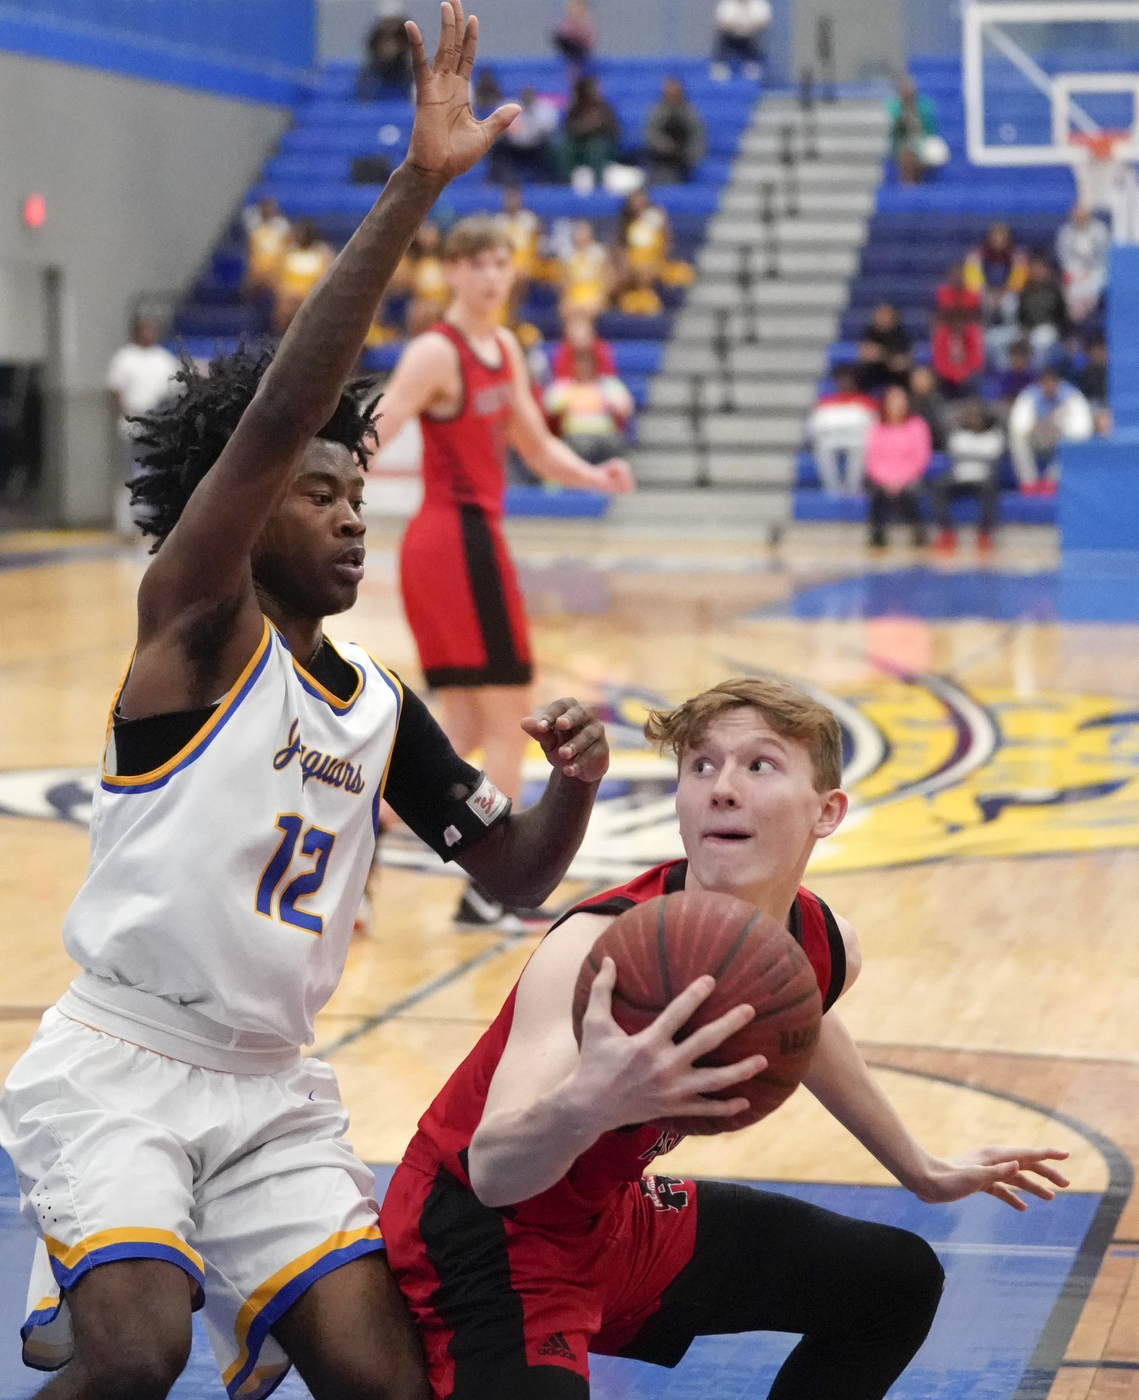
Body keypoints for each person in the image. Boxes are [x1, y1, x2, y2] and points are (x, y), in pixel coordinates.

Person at [0, 12, 610, 1400]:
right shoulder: (196, 630)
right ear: (242, 503)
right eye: (317, 494)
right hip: (124, 1062)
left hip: (272, 1086)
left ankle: (212, 1287)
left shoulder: (377, 705)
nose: (349, 520)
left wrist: (566, 787)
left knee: (383, 1380)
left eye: (358, 493)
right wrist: (414, 189)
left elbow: (511, 876)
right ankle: (110, 1271)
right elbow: (277, 411)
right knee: (136, 1353)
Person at [379, 675, 1070, 1399]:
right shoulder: (595, 948)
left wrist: (920, 1169)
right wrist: (591, 1100)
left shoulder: (822, 944)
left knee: (894, 1281)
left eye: (758, 765)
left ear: (825, 812)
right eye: (700, 766)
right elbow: (492, 1171)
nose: (721, 788)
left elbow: (802, 1020)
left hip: (611, 1220)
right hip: (485, 1239)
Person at [365, 216, 634, 928]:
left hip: (473, 540)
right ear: (450, 271)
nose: (492, 275)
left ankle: (360, 839)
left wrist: (594, 475)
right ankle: (493, 890)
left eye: (501, 263)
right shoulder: (435, 351)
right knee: (515, 711)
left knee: (462, 724)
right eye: (477, 263)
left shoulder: (504, 349)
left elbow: (539, 449)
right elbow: (370, 437)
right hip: (451, 542)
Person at [106, 314, 180, 536]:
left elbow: (174, 392)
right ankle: (126, 527)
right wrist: (130, 415)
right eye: (144, 329)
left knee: (157, 474)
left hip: (158, 427)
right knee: (130, 476)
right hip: (132, 426)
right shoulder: (124, 358)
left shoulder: (164, 359)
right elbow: (115, 390)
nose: (148, 333)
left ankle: (156, 521)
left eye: (152, 329)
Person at [1008, 359, 1093, 494]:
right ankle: (1029, 482)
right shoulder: (1030, 395)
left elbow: (1082, 430)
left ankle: (1050, 481)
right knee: (1017, 440)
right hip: (1038, 437)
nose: (1049, 385)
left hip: (1060, 439)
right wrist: (1036, 425)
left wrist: (1061, 427)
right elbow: (1018, 427)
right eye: (1045, 381)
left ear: (1058, 382)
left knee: (1073, 443)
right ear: (1040, 382)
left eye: (1052, 381)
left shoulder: (1071, 395)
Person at [932, 398, 1006, 554]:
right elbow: (956, 455)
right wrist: (977, 455)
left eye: (977, 414)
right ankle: (947, 532)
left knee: (991, 488)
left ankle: (984, 534)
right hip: (959, 477)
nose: (973, 418)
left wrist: (970, 456)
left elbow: (992, 457)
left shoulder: (994, 435)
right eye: (969, 414)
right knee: (939, 486)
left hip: (983, 478)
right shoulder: (957, 434)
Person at [864, 384, 932, 547]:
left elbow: (921, 458)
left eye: (900, 401)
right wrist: (887, 480)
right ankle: (877, 535)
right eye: (892, 401)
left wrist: (901, 480)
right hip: (882, 478)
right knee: (876, 491)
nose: (896, 406)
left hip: (909, 477)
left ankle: (918, 532)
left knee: (912, 490)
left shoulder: (917, 425)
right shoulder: (876, 427)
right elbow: (872, 460)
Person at [544, 345, 634, 463]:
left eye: (587, 363)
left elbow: (626, 408)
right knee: (579, 447)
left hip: (605, 436)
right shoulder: (565, 386)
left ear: (595, 365)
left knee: (614, 445)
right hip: (575, 436)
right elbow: (549, 406)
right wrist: (572, 400)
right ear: (573, 366)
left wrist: (606, 402)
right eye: (580, 363)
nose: (584, 367)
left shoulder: (608, 385)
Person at [807, 364, 878, 494]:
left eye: (848, 380)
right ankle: (832, 490)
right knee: (821, 447)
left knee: (862, 446)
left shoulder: (866, 402)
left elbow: (875, 428)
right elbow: (813, 427)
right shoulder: (825, 402)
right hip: (830, 439)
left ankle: (852, 490)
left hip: (858, 440)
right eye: (842, 380)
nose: (845, 383)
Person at [613, 189, 694, 292]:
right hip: (633, 266)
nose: (637, 204)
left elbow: (667, 243)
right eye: (634, 201)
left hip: (655, 263)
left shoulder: (656, 217)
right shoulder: (627, 224)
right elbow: (622, 249)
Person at [273, 219, 334, 334]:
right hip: (289, 297)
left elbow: (325, 281)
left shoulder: (321, 254)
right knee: (283, 308)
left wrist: (304, 296)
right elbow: (279, 281)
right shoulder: (288, 254)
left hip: (311, 298)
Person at [931, 265, 984, 398]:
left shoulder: (972, 332)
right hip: (947, 378)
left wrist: (962, 373)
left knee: (976, 380)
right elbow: (940, 361)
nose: (957, 324)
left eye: (960, 320)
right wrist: (953, 374)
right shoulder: (942, 334)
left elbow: (976, 360)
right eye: (954, 320)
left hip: (967, 377)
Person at [557, 76, 619, 188]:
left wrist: (596, 126)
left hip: (598, 143)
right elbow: (569, 128)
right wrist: (586, 126)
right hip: (578, 143)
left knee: (597, 147)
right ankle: (566, 182)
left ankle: (598, 184)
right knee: (563, 147)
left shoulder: (604, 107)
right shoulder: (576, 108)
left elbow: (614, 130)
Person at [963, 221, 1027, 328]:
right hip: (985, 293)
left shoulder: (1017, 256)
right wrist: (988, 293)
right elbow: (973, 282)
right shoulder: (976, 256)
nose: (998, 241)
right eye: (995, 237)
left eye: (1001, 238)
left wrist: (1002, 294)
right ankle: (982, 330)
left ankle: (1012, 330)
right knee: (980, 301)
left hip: (1007, 293)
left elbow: (1018, 281)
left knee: (1011, 303)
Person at [644, 77, 706, 185]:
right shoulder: (656, 112)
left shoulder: (691, 114)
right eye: (668, 93)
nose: (672, 96)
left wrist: (687, 155)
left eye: (675, 93)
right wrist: (665, 145)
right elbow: (650, 135)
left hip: (683, 162)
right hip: (659, 160)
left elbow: (698, 140)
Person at [1056, 203, 1110, 325]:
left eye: (1082, 211)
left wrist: (1090, 272)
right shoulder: (1065, 232)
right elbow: (1065, 257)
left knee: (1095, 284)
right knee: (1072, 286)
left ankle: (1087, 309)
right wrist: (1077, 271)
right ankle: (1075, 315)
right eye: (1076, 212)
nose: (1079, 215)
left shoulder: (1100, 230)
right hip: (1075, 271)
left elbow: (1105, 256)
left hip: (1098, 270)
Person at [1013, 253, 1068, 367]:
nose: (1037, 271)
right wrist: (1025, 331)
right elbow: (1021, 316)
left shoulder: (1054, 290)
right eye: (1034, 268)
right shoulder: (1024, 292)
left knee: (1040, 340)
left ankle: (1038, 373)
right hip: (1028, 330)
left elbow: (1062, 316)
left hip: (1048, 329)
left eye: (1040, 268)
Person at [498, 87, 560, 184]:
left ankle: (545, 182)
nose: (527, 98)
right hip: (513, 147)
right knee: (498, 145)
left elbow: (548, 130)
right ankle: (501, 180)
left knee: (552, 145)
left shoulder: (545, 109)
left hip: (537, 147)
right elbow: (504, 129)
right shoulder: (509, 107)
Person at [886, 77, 940, 185]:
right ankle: (909, 185)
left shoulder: (924, 107)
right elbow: (892, 132)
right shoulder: (893, 108)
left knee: (918, 152)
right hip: (899, 143)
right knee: (907, 154)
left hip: (922, 141)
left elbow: (931, 130)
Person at [560, 219, 613, 317]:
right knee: (566, 309)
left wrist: (599, 298)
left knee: (588, 309)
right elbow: (564, 284)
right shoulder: (568, 256)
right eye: (578, 232)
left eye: (583, 232)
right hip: (574, 296)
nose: (580, 235)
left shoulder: (599, 254)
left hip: (595, 295)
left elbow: (607, 280)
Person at [355, 14, 413, 101]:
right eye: (383, 40)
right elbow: (363, 104)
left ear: (404, 44)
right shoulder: (367, 76)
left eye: (395, 39)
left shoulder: (413, 75)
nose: (389, 45)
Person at [856, 302, 911, 392]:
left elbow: (901, 362)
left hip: (895, 379)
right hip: (871, 376)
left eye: (886, 314)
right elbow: (867, 354)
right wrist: (888, 358)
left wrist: (882, 355)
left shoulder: (901, 335)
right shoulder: (869, 332)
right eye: (881, 314)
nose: (883, 318)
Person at [242, 196, 292, 295]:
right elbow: (250, 250)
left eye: (269, 207)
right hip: (258, 269)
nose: (267, 210)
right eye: (264, 208)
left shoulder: (282, 226)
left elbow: (288, 249)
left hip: (277, 269)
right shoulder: (254, 226)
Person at [711, 0, 771, 81]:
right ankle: (720, 66)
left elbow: (763, 22)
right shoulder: (727, 4)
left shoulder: (759, 4)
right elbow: (724, 24)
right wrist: (739, 27)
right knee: (722, 37)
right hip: (731, 36)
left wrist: (746, 28)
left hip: (750, 36)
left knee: (758, 37)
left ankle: (753, 65)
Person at [908, 364, 949, 451]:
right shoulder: (907, 402)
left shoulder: (938, 403)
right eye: (916, 378)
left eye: (923, 378)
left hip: (935, 448)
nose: (919, 381)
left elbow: (940, 434)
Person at [553, 0, 595, 74]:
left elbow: (587, 40)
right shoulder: (566, 22)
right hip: (570, 49)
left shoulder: (584, 22)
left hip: (581, 49)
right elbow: (562, 34)